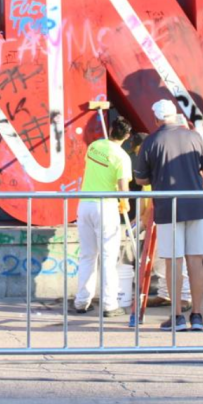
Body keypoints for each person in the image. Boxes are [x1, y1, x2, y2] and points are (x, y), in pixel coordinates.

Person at [133, 99, 203, 332]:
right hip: (197, 205)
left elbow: (141, 179)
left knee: (173, 262)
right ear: (176, 116)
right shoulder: (194, 137)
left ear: (156, 119)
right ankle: (198, 316)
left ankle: (177, 316)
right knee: (195, 260)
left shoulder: (151, 141)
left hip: (168, 208)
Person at [72, 117, 132, 317]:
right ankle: (109, 304)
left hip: (85, 205)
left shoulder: (94, 146)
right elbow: (123, 187)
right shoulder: (122, 157)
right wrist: (126, 202)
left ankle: (82, 302)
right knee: (108, 257)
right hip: (106, 207)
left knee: (87, 255)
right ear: (127, 136)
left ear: (112, 129)